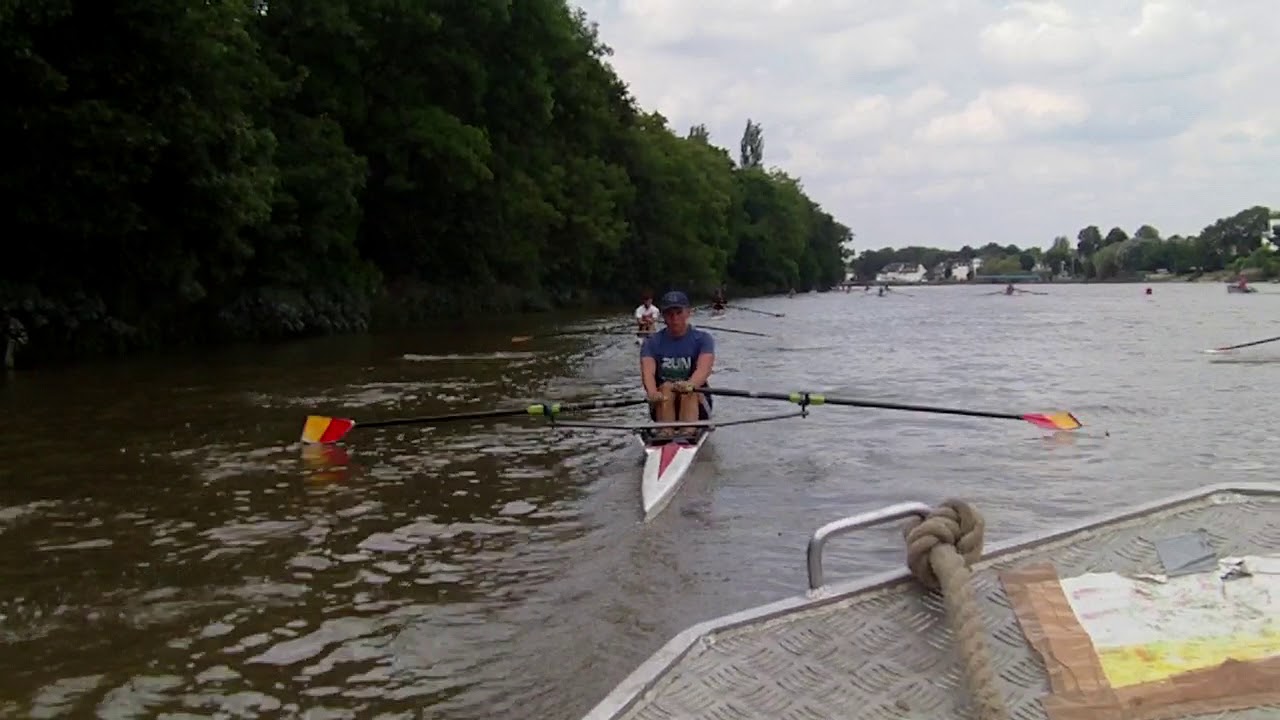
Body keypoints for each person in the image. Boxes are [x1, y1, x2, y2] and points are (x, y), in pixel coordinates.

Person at [640, 290, 715, 439]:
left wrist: (691, 384)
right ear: (663, 316)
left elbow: (704, 369)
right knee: (667, 387)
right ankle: (665, 433)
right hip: (663, 399)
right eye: (669, 314)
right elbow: (647, 373)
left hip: (696, 399)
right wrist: (652, 392)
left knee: (687, 390)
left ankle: (687, 433)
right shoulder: (651, 342)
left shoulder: (703, 339)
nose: (674, 319)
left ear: (688, 313)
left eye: (679, 313)